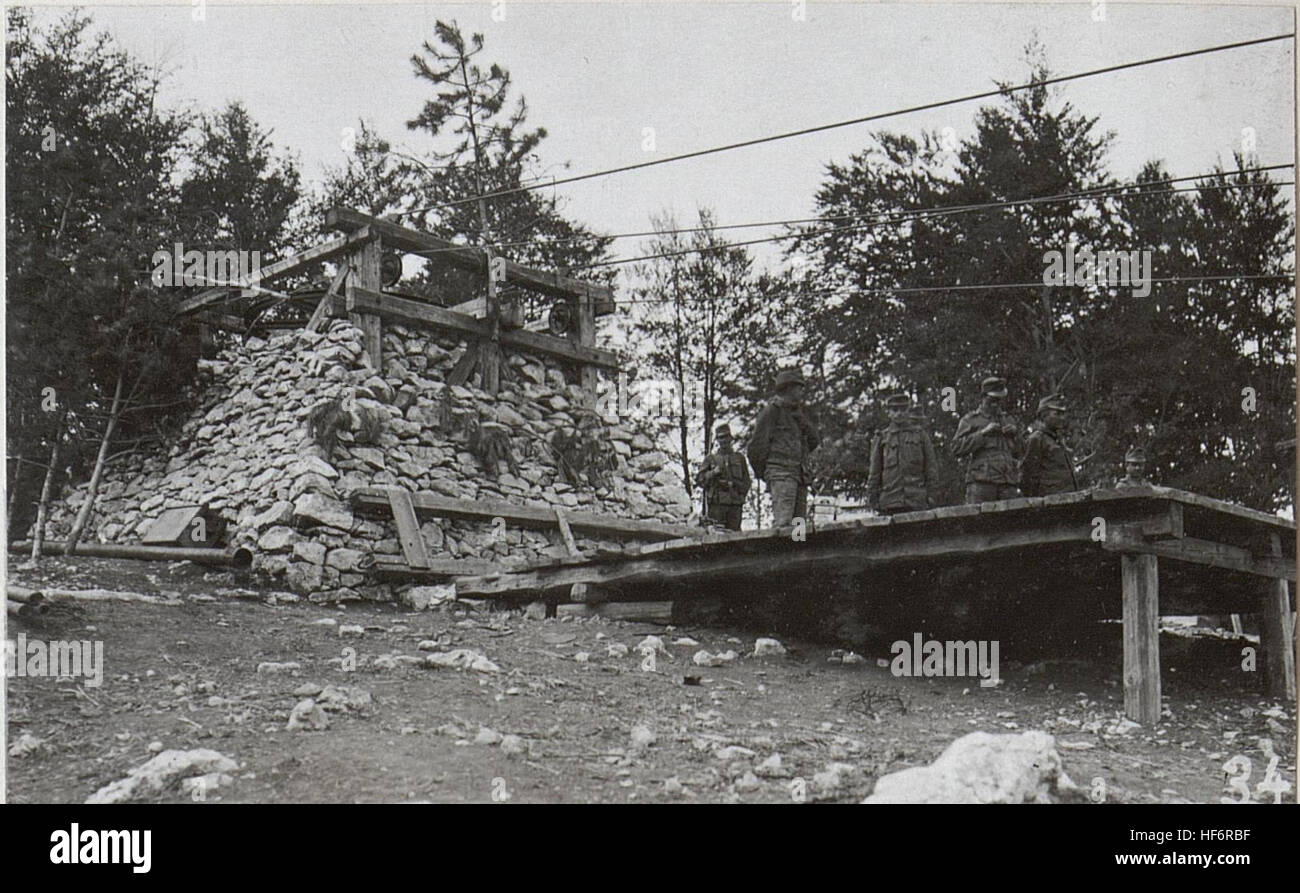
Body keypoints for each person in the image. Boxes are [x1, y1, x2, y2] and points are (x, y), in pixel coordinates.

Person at [747, 369, 820, 527]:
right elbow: (755, 449)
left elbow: (814, 441)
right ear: (788, 389)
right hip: (781, 475)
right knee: (784, 523)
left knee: (799, 526)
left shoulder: (798, 413)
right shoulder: (771, 412)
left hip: (800, 475)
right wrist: (768, 473)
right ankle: (783, 545)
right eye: (798, 387)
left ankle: (798, 545)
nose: (801, 391)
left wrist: (802, 421)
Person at [953, 376, 1024, 503]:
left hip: (1007, 483)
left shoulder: (1008, 420)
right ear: (983, 397)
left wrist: (1015, 435)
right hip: (981, 483)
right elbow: (956, 448)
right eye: (993, 400)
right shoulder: (971, 420)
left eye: (999, 400)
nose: (996, 404)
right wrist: (983, 433)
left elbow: (1021, 451)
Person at [867, 393, 939, 514]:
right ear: (889, 413)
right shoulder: (882, 438)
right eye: (895, 410)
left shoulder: (920, 435)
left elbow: (931, 468)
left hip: (917, 500)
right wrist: (873, 497)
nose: (899, 413)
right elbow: (875, 471)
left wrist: (932, 495)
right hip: (890, 501)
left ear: (908, 411)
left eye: (903, 409)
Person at [1019, 394, 1078, 497]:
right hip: (1049, 500)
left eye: (1063, 414)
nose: (1062, 418)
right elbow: (1028, 476)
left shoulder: (1058, 441)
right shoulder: (1036, 439)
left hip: (1067, 498)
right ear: (1044, 416)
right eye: (1057, 414)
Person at [698, 424, 750, 530]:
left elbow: (747, 482)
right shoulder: (711, 459)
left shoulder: (739, 458)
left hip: (735, 505)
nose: (724, 440)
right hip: (717, 506)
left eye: (726, 437)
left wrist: (737, 491)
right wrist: (713, 473)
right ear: (717, 440)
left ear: (730, 438)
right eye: (721, 438)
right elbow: (700, 480)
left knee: (735, 536)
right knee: (716, 534)